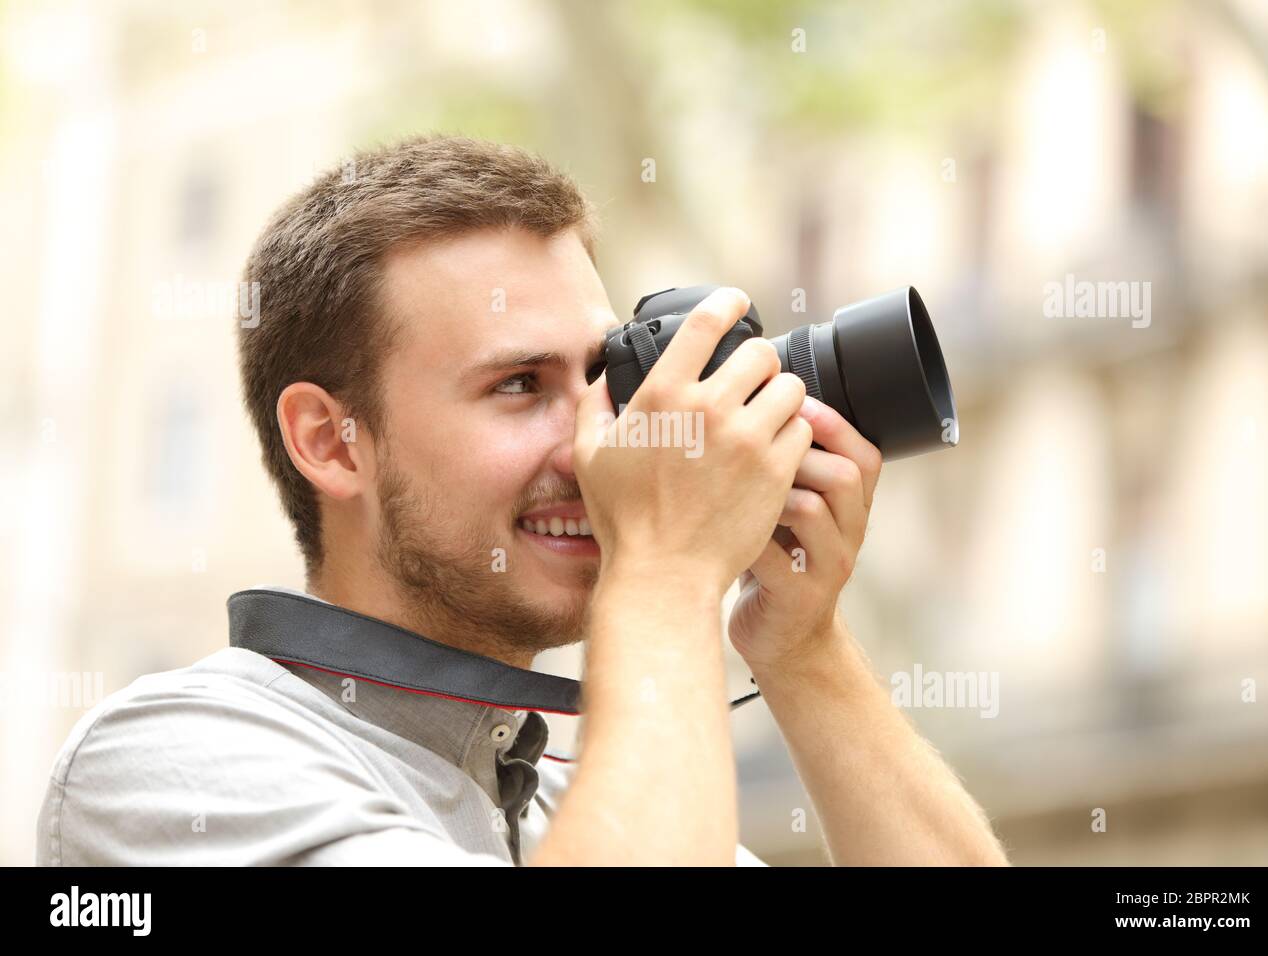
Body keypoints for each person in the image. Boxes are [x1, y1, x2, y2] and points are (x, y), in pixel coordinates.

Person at [36, 134, 1007, 866]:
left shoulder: (591, 796)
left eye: (601, 376)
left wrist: (802, 647)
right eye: (518, 386)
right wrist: (667, 569)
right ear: (332, 440)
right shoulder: (172, 763)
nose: (599, 443)